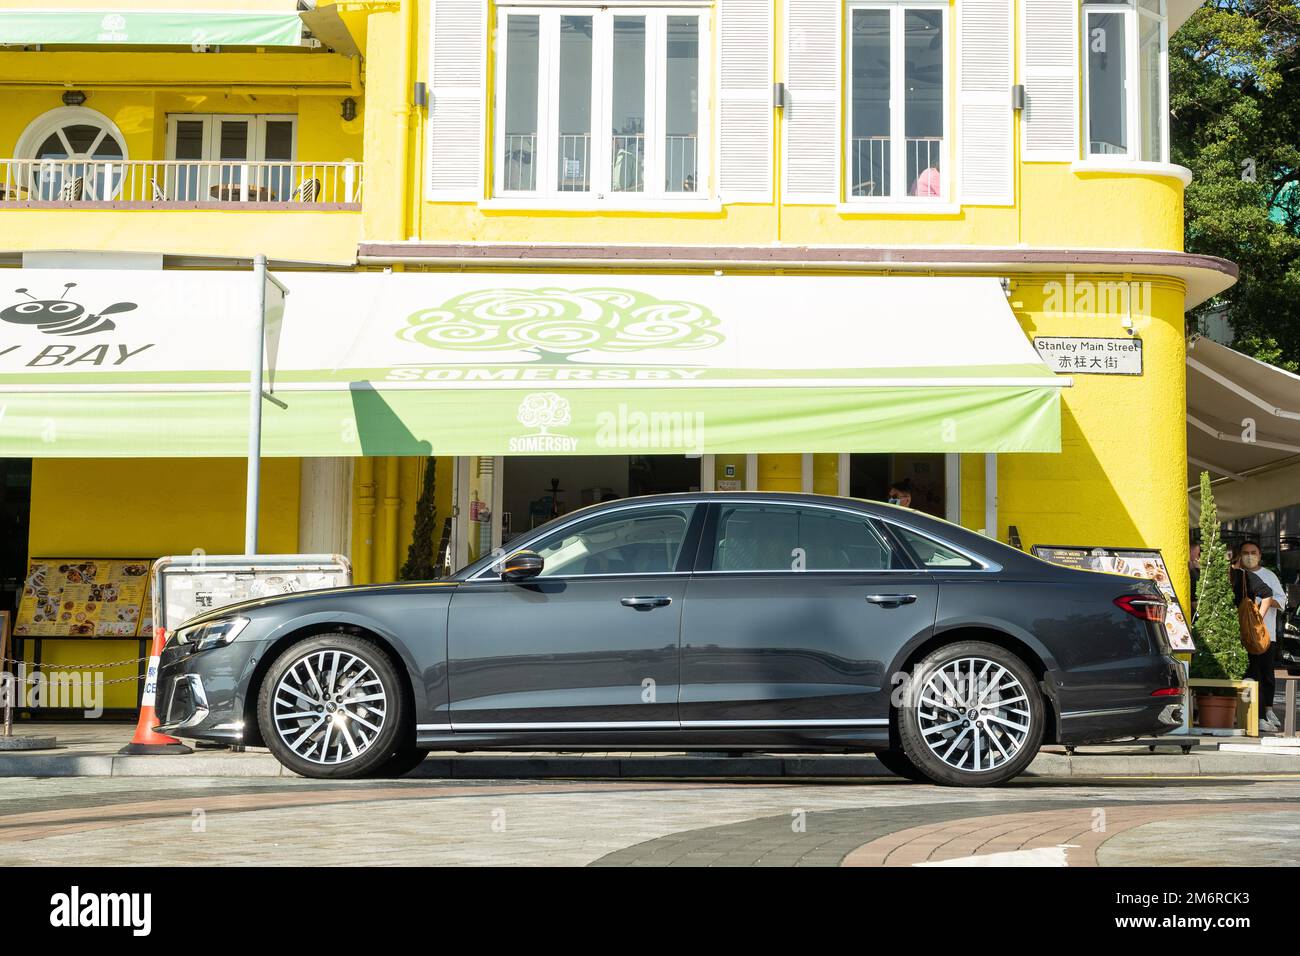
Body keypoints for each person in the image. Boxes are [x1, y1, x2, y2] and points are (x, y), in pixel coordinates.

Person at [1236, 540, 1287, 731]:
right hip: (1245, 635)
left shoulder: (1269, 576)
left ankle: (1268, 710)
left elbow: (1282, 600)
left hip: (1266, 633)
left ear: (1259, 555)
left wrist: (1262, 603)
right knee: (1252, 672)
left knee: (1267, 674)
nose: (1249, 556)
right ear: (1240, 555)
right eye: (1246, 552)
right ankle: (1255, 714)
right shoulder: (1238, 576)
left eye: (1253, 552)